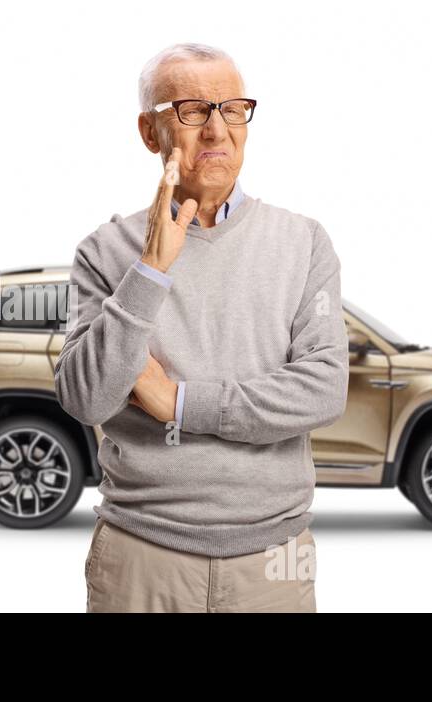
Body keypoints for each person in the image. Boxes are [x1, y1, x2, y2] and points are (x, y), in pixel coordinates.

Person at [55, 42, 349, 612]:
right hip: (141, 553)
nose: (217, 130)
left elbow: (323, 390)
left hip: (275, 556)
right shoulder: (105, 251)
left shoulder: (303, 241)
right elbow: (86, 398)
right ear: (149, 132)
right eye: (191, 110)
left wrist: (178, 403)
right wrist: (149, 271)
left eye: (232, 108)